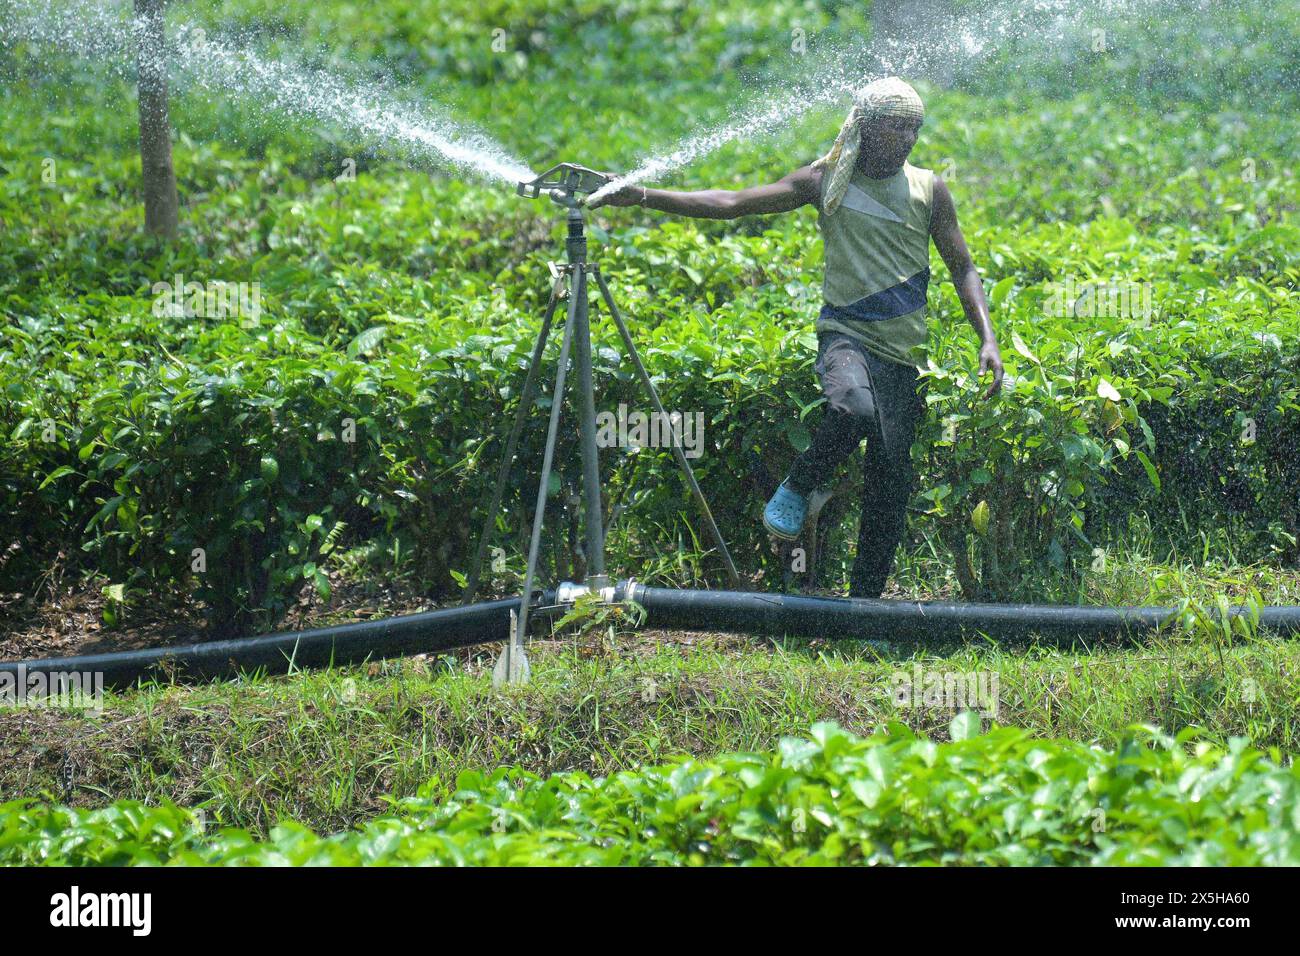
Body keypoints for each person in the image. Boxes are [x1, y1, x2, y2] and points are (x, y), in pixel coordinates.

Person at [588, 77, 1003, 598]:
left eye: (913, 128)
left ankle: (867, 609)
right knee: (852, 409)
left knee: (889, 485)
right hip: (846, 334)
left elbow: (962, 265)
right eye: (895, 127)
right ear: (865, 128)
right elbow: (735, 201)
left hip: (905, 353)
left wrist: (986, 338)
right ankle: (798, 485)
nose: (906, 138)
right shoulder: (826, 180)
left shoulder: (929, 189)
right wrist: (643, 195)